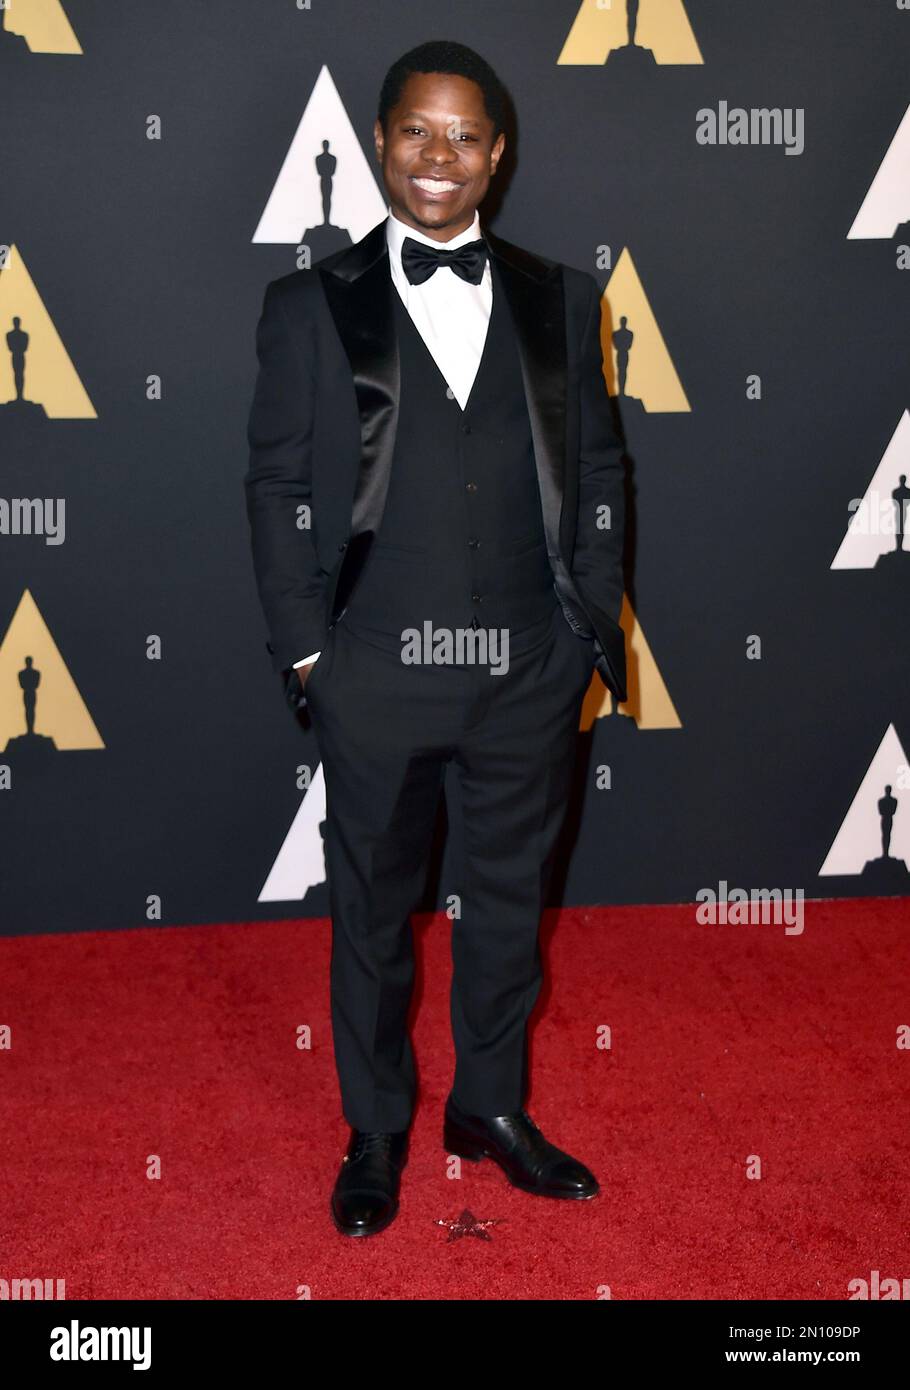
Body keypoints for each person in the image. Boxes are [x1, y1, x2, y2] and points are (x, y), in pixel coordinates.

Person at [245, 39, 627, 1238]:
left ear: (497, 153)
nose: (438, 157)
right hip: (375, 672)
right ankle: (376, 1128)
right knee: (368, 914)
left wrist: (586, 631)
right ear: (379, 140)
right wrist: (312, 654)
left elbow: (604, 469)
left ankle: (491, 1109)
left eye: (465, 135)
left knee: (509, 908)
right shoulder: (310, 305)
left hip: (527, 668)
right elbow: (272, 484)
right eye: (417, 130)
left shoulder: (565, 298)